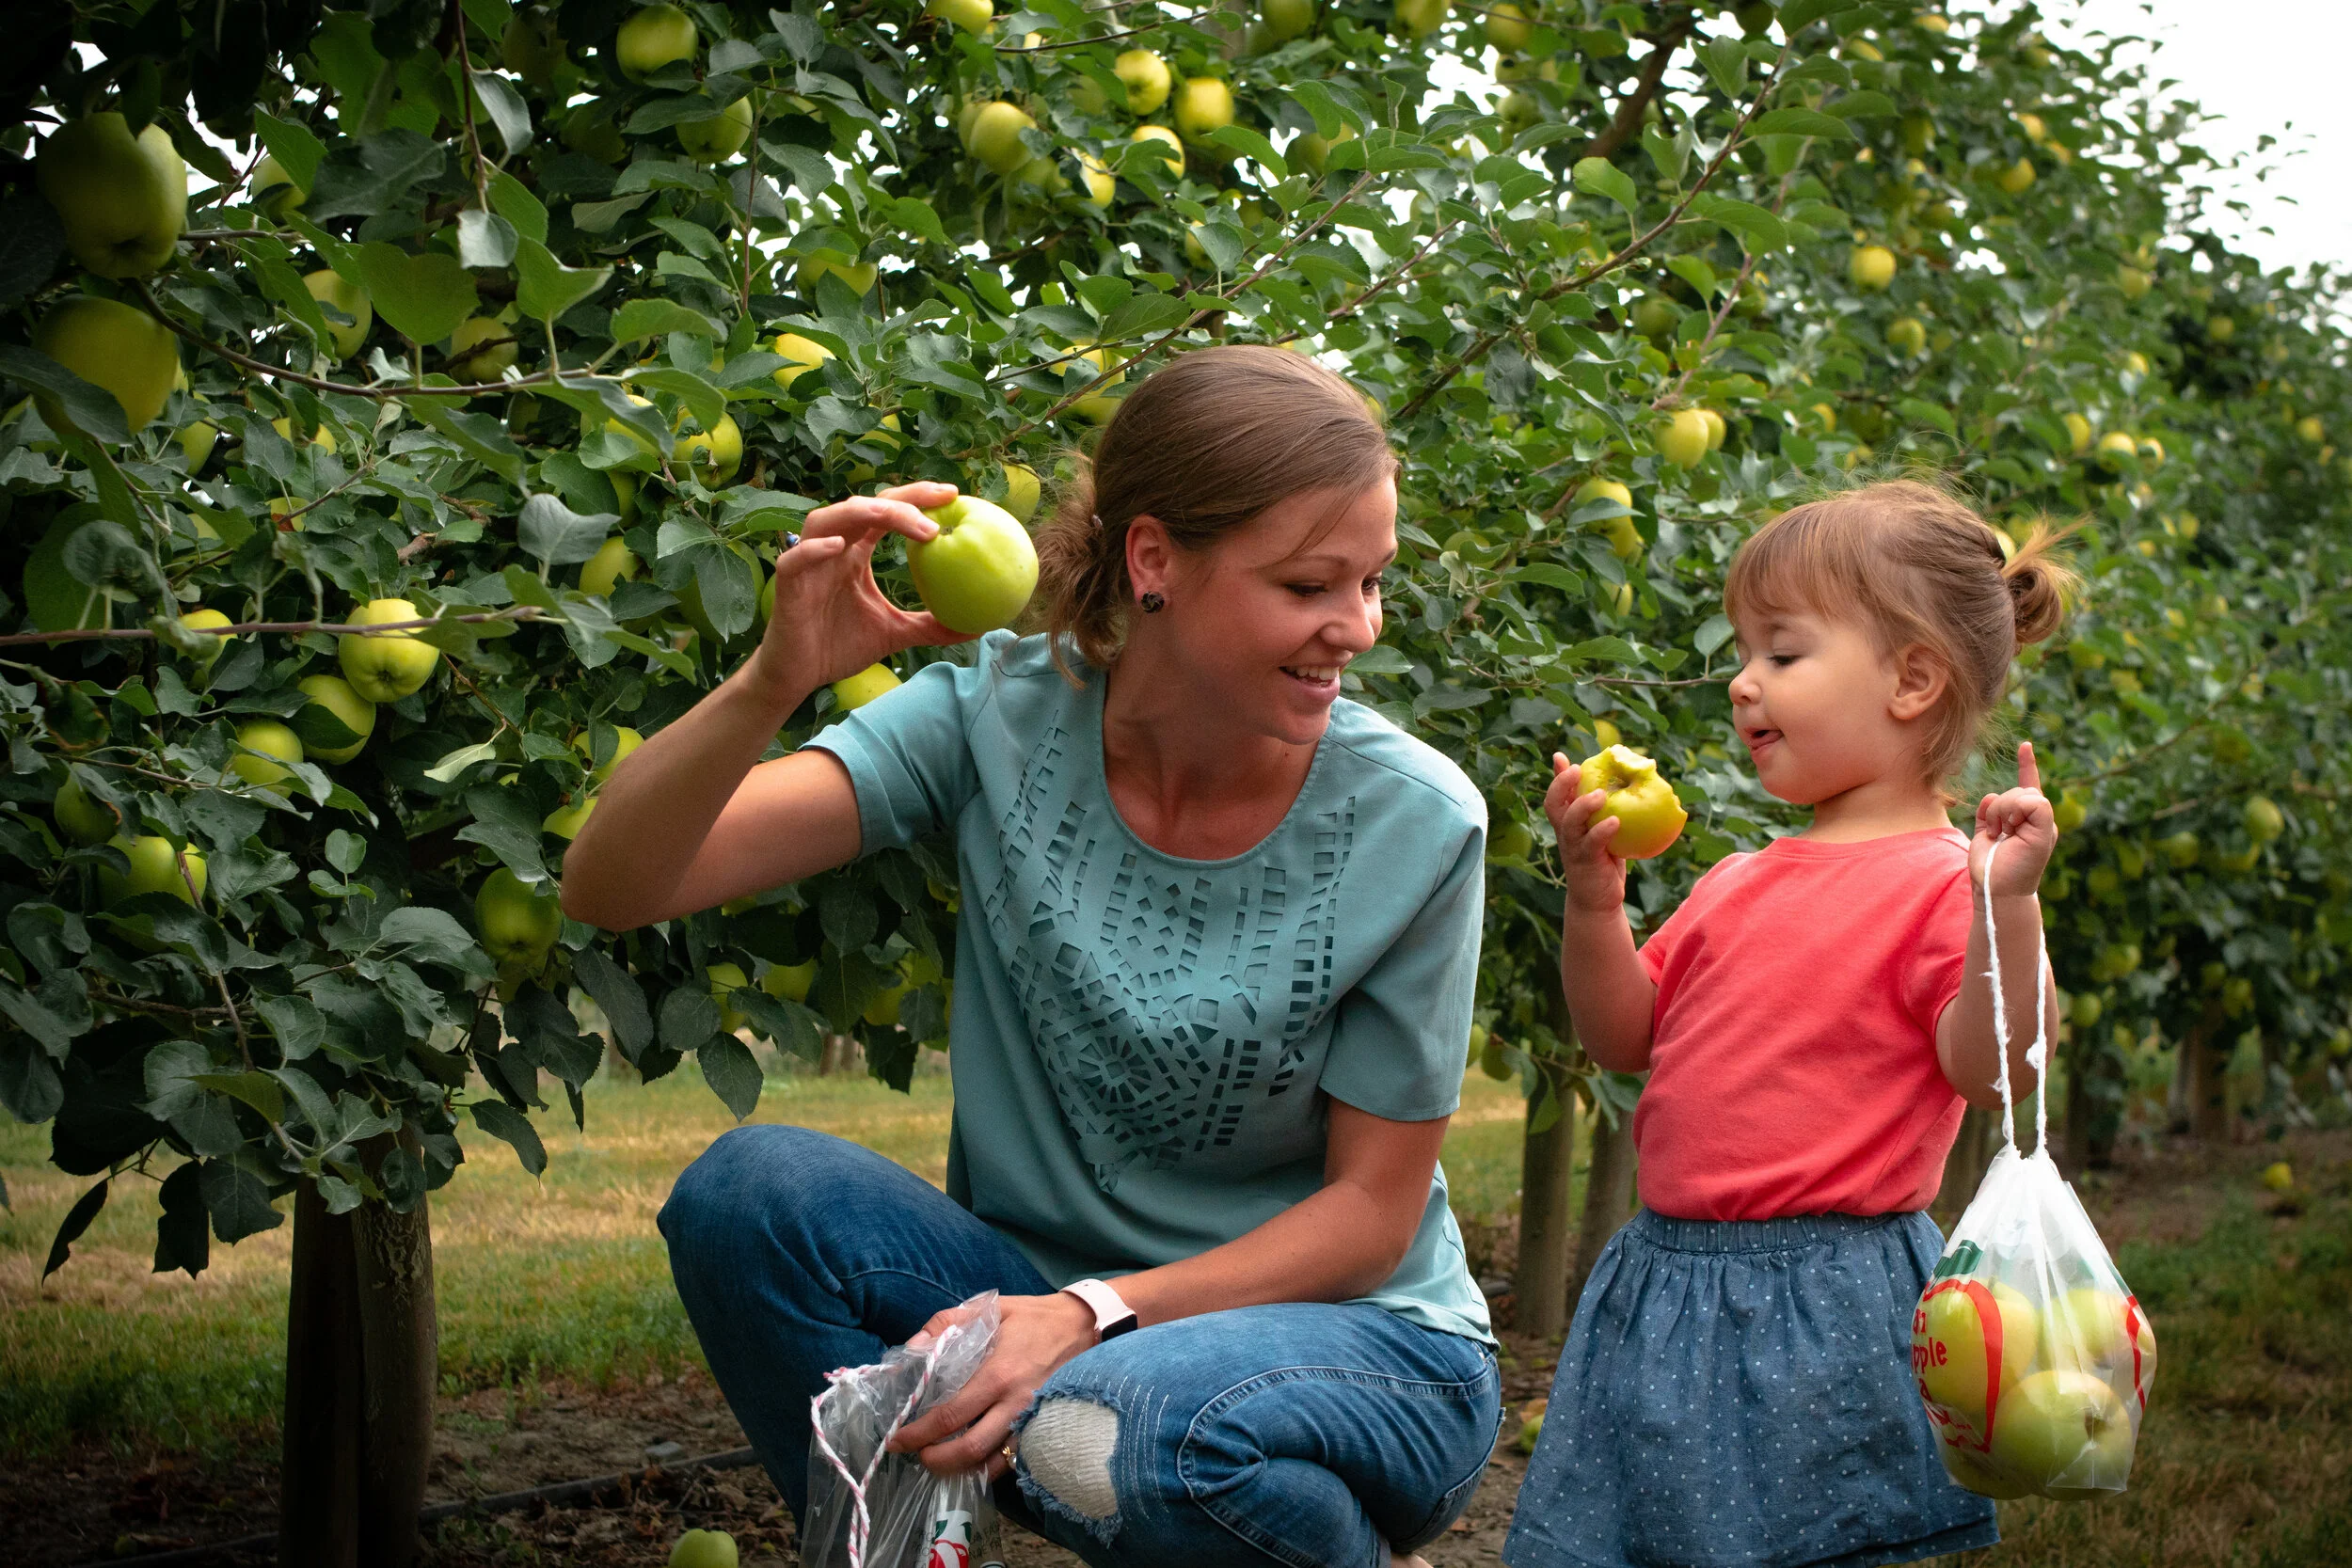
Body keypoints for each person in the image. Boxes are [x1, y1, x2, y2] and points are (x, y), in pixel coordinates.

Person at [562, 345, 1502, 1567]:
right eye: (1310, 584)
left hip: (1359, 1342)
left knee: (1111, 1428)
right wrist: (772, 679)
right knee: (752, 1199)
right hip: (1031, 1303)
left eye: (1372, 581)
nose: (1358, 626)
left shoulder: (1416, 819)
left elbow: (1371, 1216)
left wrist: (1088, 1311)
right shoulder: (993, 716)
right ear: (1154, 559)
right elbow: (617, 885)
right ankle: (911, 1552)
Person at [1506, 480, 2078, 1568]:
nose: (1742, 678)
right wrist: (1593, 900)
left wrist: (2006, 904)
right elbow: (1623, 1037)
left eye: (1781, 650)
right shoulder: (1735, 878)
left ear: (1911, 679)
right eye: (1743, 650)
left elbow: (1997, 1070)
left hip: (1827, 1298)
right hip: (1665, 1276)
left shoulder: (1945, 884)